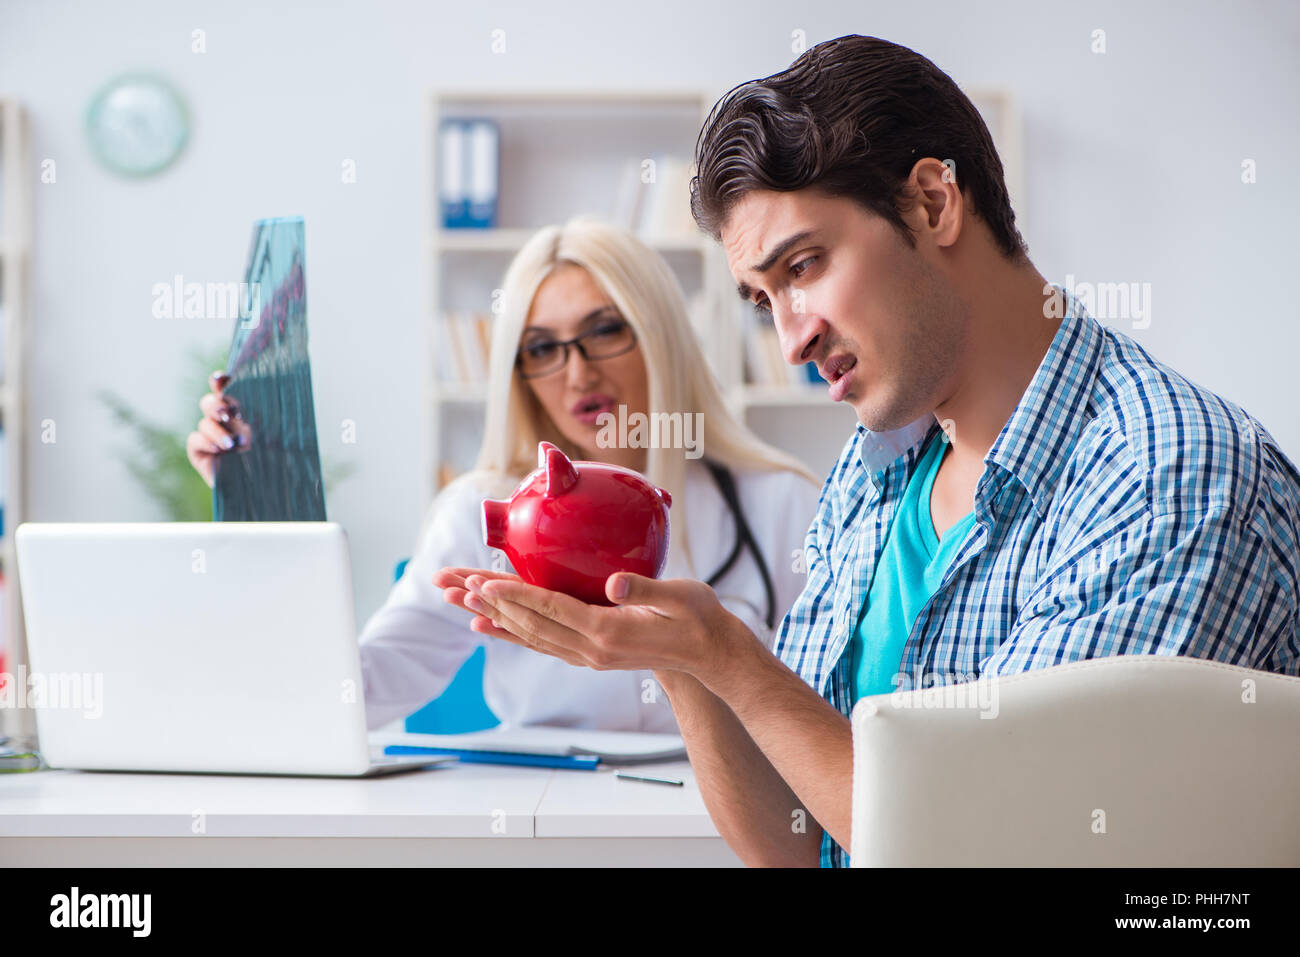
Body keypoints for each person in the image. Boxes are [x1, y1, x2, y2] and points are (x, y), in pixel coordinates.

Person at [436, 34, 1300, 868]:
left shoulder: (1168, 478)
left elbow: (1002, 851)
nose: (791, 342)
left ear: (934, 202)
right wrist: (691, 662)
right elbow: (796, 843)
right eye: (762, 299)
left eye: (803, 267)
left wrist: (736, 658)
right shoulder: (878, 466)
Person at [187, 216, 821, 733]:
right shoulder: (481, 513)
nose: (577, 374)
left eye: (604, 331)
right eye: (542, 348)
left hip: (722, 828)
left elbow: (828, 714)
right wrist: (260, 514)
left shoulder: (780, 503)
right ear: (516, 374)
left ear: (663, 337)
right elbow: (356, 693)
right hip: (542, 819)